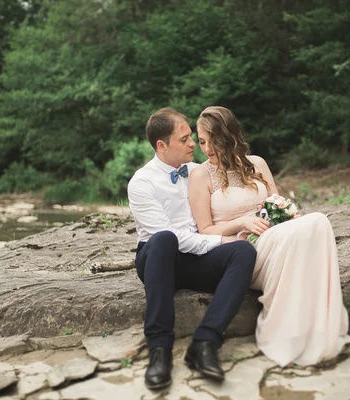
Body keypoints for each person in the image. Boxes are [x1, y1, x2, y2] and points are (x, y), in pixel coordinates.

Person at [188, 106, 350, 367]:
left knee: (318, 222)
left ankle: (320, 327)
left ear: (229, 136)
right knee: (311, 227)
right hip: (242, 248)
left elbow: (275, 202)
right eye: (202, 141)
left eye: (213, 140)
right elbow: (205, 230)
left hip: (274, 235)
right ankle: (285, 334)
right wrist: (240, 221)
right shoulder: (199, 175)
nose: (206, 149)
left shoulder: (258, 164)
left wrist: (288, 215)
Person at [127, 108, 257, 390]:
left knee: (244, 252)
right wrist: (222, 241)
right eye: (185, 139)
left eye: (191, 138)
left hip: (195, 259)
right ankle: (159, 350)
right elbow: (171, 236)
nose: (192, 145)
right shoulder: (141, 182)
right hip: (157, 259)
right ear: (162, 146)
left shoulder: (199, 171)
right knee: (164, 239)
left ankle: (205, 344)